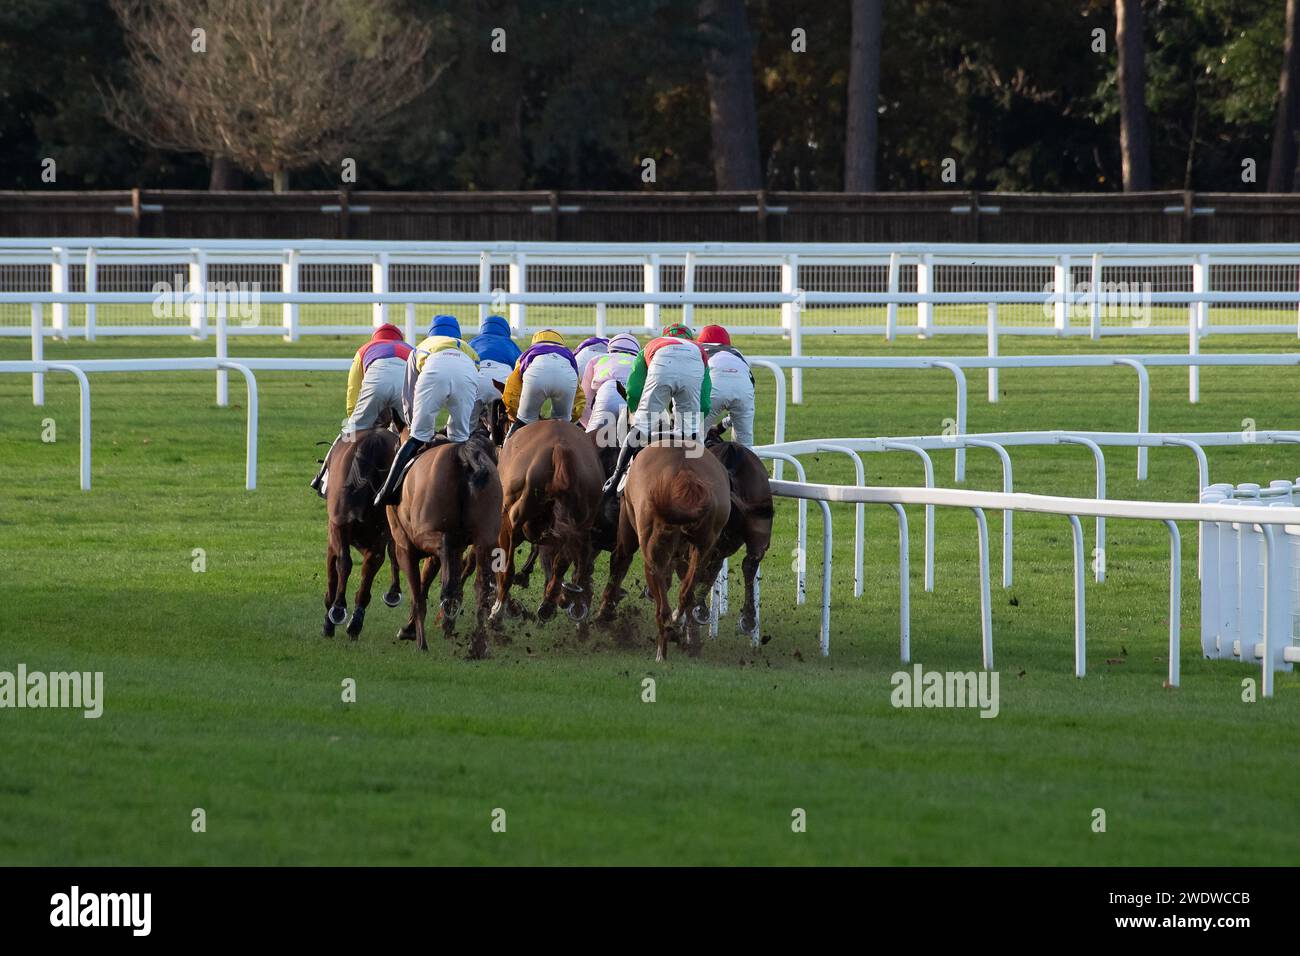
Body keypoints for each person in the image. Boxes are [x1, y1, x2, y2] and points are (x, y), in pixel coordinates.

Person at [373, 315, 480, 505]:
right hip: (468, 372)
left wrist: (414, 424)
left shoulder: (421, 347)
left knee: (417, 436)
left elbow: (408, 394)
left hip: (434, 371)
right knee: (461, 441)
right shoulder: (468, 349)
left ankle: (387, 491)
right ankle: (474, 495)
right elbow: (471, 380)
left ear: (432, 333)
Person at [600, 323, 711, 501]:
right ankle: (705, 481)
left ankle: (615, 481)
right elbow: (705, 402)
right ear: (689, 338)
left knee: (641, 427)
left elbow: (635, 389)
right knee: (691, 433)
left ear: (666, 335)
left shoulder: (653, 343)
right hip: (694, 364)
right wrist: (693, 421)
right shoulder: (698, 349)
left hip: (662, 360)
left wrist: (637, 411)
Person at [310, 322, 412, 496]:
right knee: (413, 438)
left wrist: (354, 419)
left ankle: (323, 477)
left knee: (349, 431)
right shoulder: (410, 349)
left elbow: (353, 391)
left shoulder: (365, 349)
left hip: (376, 386)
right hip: (403, 387)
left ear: (376, 338)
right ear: (400, 339)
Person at [500, 329, 584, 440]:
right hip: (567, 376)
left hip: (536, 376)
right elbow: (579, 398)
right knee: (562, 425)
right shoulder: (569, 355)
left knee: (523, 420)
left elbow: (512, 388)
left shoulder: (528, 354)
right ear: (561, 343)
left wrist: (516, 415)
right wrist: (570, 418)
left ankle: (505, 452)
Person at [698, 324, 756, 446]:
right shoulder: (736, 352)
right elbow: (751, 385)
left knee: (692, 445)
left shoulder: (698, 348)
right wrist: (727, 422)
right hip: (744, 390)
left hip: (714, 387)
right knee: (745, 449)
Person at [581, 332, 639, 432]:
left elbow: (585, 404)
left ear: (610, 350)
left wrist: (590, 430)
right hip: (631, 400)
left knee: (591, 443)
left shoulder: (597, 359)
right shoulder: (639, 362)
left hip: (607, 393)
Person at [468, 314, 519, 424]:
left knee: (464, 427)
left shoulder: (473, 341)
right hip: (501, 383)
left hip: (476, 381)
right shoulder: (510, 344)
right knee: (504, 425)